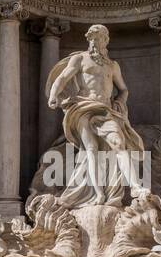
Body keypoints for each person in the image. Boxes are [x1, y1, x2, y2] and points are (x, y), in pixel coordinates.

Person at [45, 24, 146, 207]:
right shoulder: (79, 59)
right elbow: (62, 78)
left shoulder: (112, 65)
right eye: (92, 37)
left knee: (118, 143)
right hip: (83, 106)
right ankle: (98, 194)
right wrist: (53, 95)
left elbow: (123, 89)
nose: (95, 41)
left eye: (99, 37)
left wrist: (120, 102)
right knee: (90, 150)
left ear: (106, 40)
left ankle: (136, 187)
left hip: (106, 109)